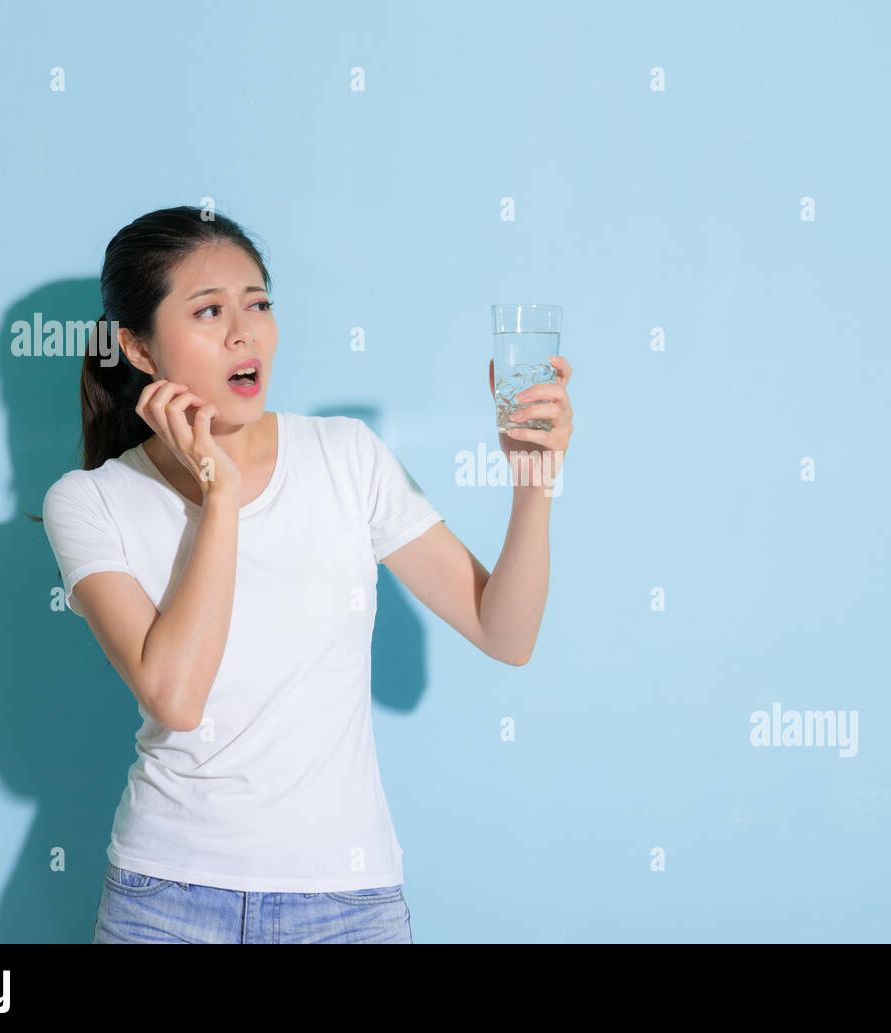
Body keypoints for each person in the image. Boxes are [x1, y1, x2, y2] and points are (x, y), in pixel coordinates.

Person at [38, 205, 574, 943]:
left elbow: (504, 631)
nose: (244, 332)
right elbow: (176, 695)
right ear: (138, 347)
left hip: (348, 906)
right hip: (165, 901)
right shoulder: (91, 501)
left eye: (258, 304)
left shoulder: (347, 456)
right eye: (208, 311)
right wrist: (220, 494)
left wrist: (533, 478)